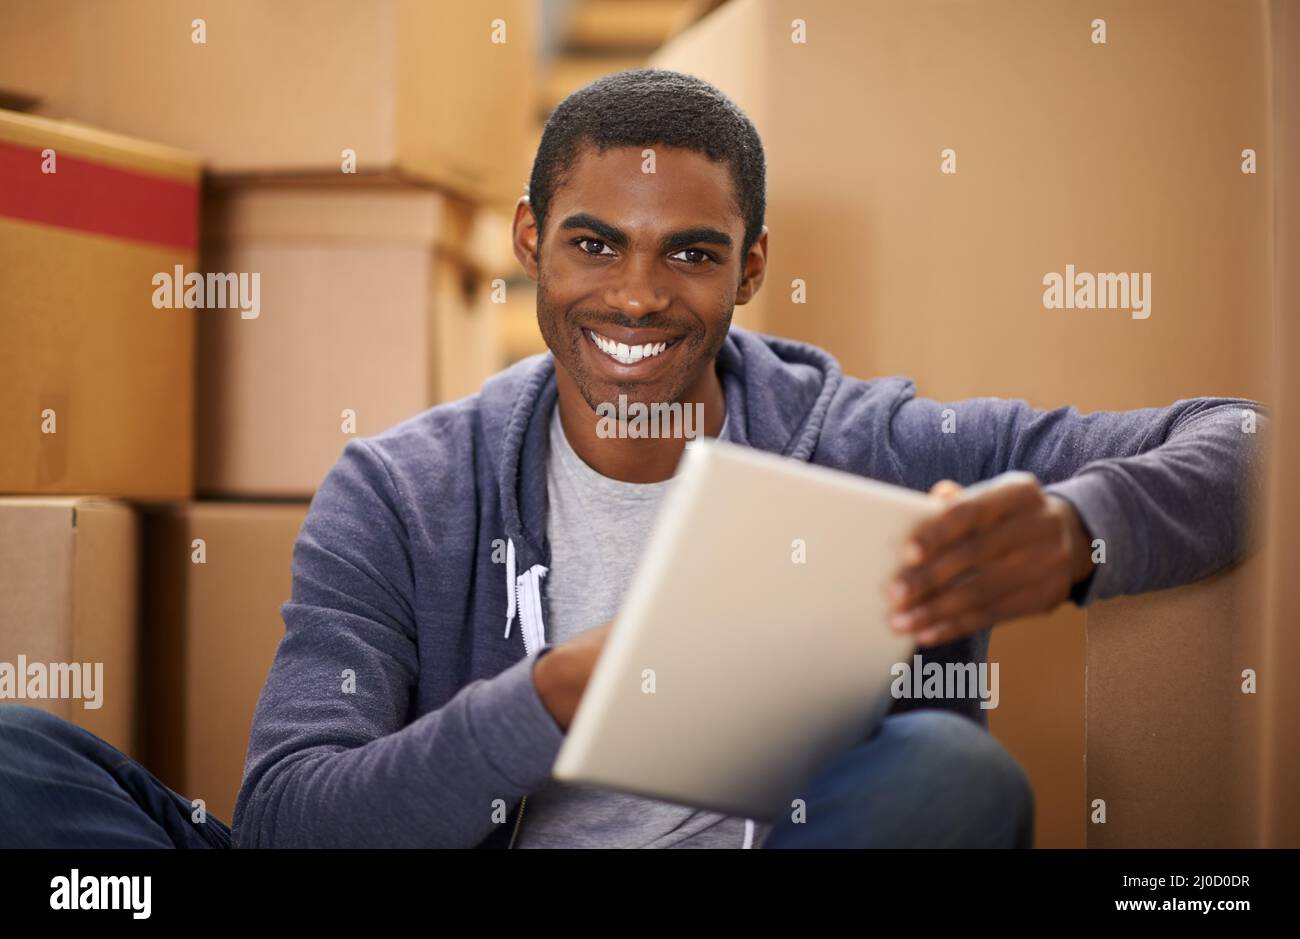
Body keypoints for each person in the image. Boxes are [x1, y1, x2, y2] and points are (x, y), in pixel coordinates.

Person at [0, 70, 1267, 849]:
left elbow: (1244, 443)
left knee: (946, 776)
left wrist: (1077, 531)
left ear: (751, 267)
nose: (639, 296)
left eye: (692, 254)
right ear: (528, 242)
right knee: (17, 757)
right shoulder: (402, 490)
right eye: (596, 245)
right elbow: (290, 823)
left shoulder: (866, 444)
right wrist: (553, 697)